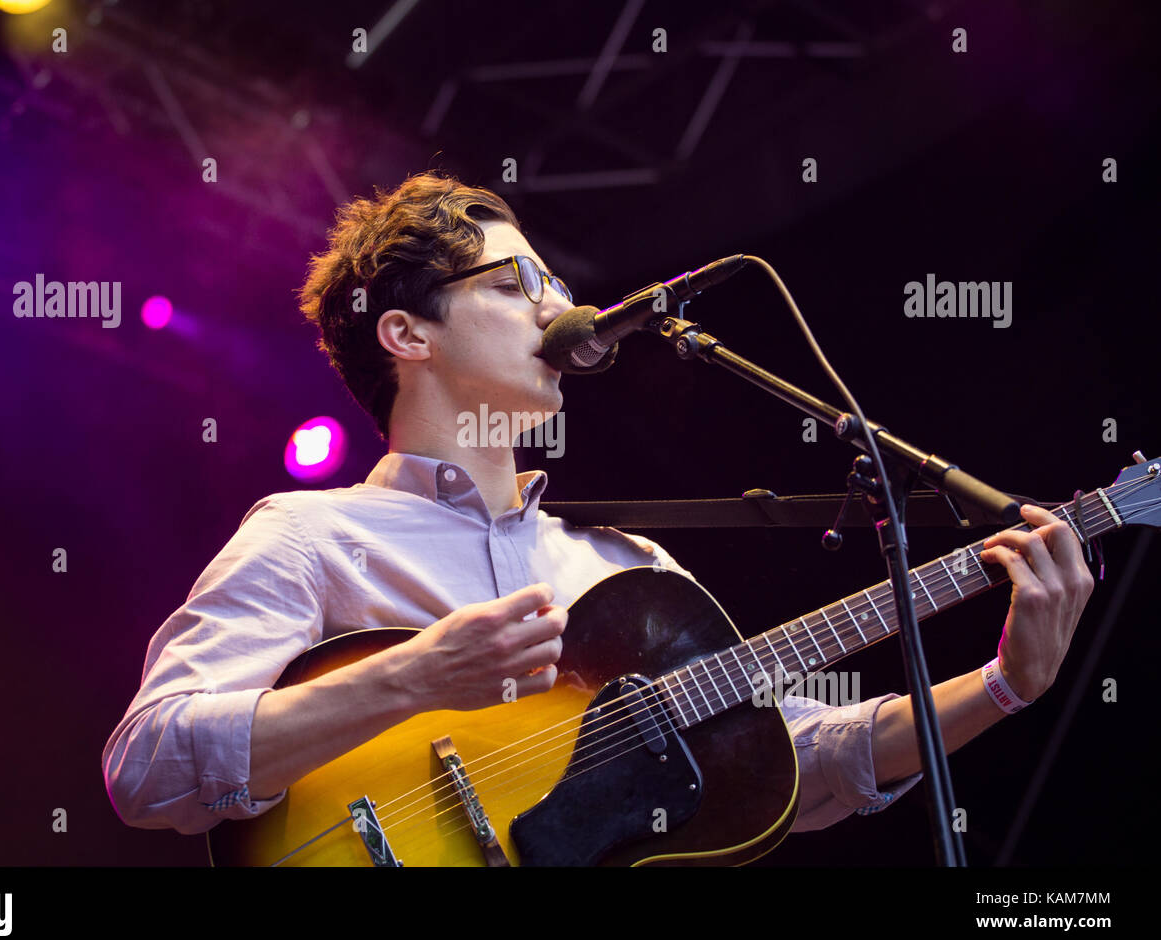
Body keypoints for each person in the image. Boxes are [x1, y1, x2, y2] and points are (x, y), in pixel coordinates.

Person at [102, 172, 1094, 852]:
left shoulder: (624, 562)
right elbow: (147, 766)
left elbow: (792, 756)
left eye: (557, 285)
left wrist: (1003, 685)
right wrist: (409, 676)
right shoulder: (307, 535)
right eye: (512, 284)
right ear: (403, 331)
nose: (553, 307)